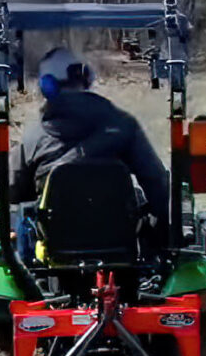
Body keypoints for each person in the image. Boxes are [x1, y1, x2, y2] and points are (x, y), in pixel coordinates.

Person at [11, 47, 170, 245]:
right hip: (119, 245)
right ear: (87, 78)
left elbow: (12, 191)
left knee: (21, 219)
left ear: (47, 86)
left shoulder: (33, 137)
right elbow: (156, 181)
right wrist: (161, 231)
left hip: (56, 246)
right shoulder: (124, 126)